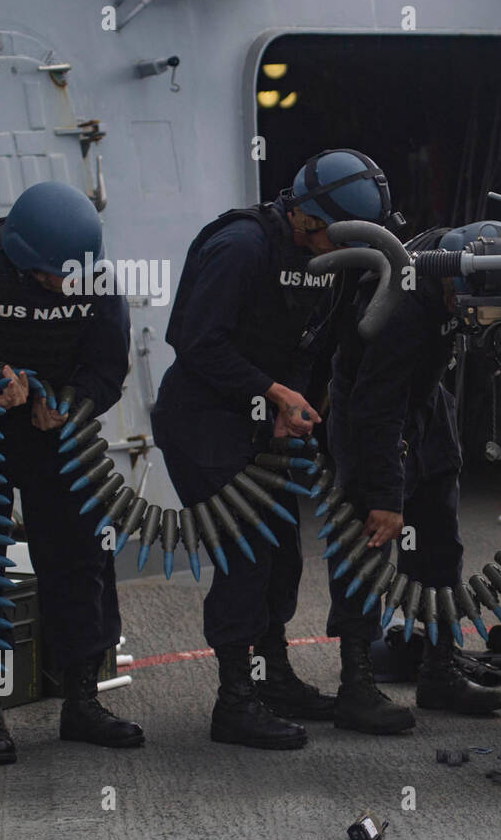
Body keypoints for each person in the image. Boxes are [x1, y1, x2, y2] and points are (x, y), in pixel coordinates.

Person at [150, 149, 396, 750]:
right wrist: (270, 391)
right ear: (307, 219)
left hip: (268, 424)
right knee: (249, 550)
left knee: (282, 553)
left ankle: (272, 676)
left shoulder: (330, 259)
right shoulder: (241, 247)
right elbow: (193, 341)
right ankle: (233, 702)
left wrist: (299, 406)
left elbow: (318, 348)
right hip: (203, 422)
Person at [0, 180, 142, 764]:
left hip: (57, 434)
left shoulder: (98, 283)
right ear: (24, 261)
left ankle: (82, 702)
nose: (67, 285)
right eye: (55, 276)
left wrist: (70, 404)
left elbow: (106, 370)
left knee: (81, 560)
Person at [324, 224, 501, 734]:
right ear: (444, 279)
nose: (461, 311)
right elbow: (375, 407)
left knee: (439, 547)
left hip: (427, 404)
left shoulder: (480, 263)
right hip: (373, 416)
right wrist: (383, 495)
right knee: (365, 550)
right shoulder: (398, 308)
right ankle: (355, 687)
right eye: (457, 301)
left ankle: (439, 670)